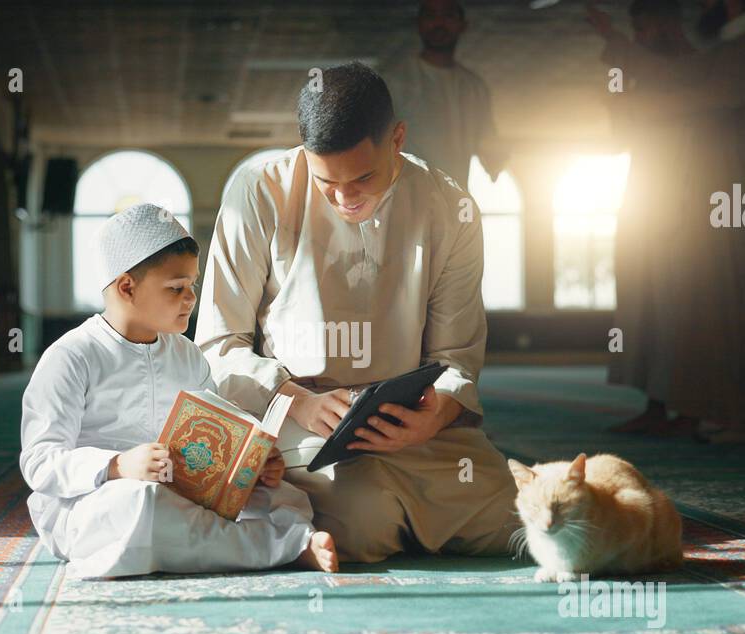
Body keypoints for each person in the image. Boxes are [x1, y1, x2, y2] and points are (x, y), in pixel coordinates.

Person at [195, 62, 519, 564]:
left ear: (397, 139)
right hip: (300, 418)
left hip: (410, 423)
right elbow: (218, 345)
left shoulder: (448, 205)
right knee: (364, 525)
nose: (347, 198)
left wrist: (438, 415)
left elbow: (456, 357)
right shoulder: (258, 192)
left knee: (514, 520)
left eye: (363, 178)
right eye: (328, 183)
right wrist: (296, 399)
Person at [19, 203, 338, 579]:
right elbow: (39, 462)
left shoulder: (187, 354)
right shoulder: (72, 356)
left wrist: (250, 464)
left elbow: (216, 431)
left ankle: (260, 542)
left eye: (193, 285)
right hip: (95, 502)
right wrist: (117, 466)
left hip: (180, 492)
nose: (191, 298)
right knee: (143, 505)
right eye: (176, 288)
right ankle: (284, 547)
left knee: (282, 492)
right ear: (126, 287)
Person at [590, 0, 745, 443]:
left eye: (649, 29)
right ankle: (689, 407)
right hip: (683, 206)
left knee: (721, 310)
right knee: (669, 311)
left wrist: (622, 57)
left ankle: (731, 414)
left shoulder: (742, 51)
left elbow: (702, 93)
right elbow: (628, 124)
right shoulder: (726, 53)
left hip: (728, 208)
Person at [601, 0, 701, 436]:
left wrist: (617, 46)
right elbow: (620, 135)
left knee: (678, 309)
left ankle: (688, 408)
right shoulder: (643, 78)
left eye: (644, 31)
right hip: (646, 198)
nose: (640, 40)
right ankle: (658, 406)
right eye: (634, 32)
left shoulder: (693, 71)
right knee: (647, 306)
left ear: (668, 24)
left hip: (686, 202)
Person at [379, 0, 507, 185]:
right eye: (431, 15)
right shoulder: (394, 82)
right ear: (419, 23)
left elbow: (488, 145)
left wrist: (495, 161)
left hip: (454, 199)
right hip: (403, 200)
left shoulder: (474, 88)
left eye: (448, 15)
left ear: (463, 25)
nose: (439, 23)